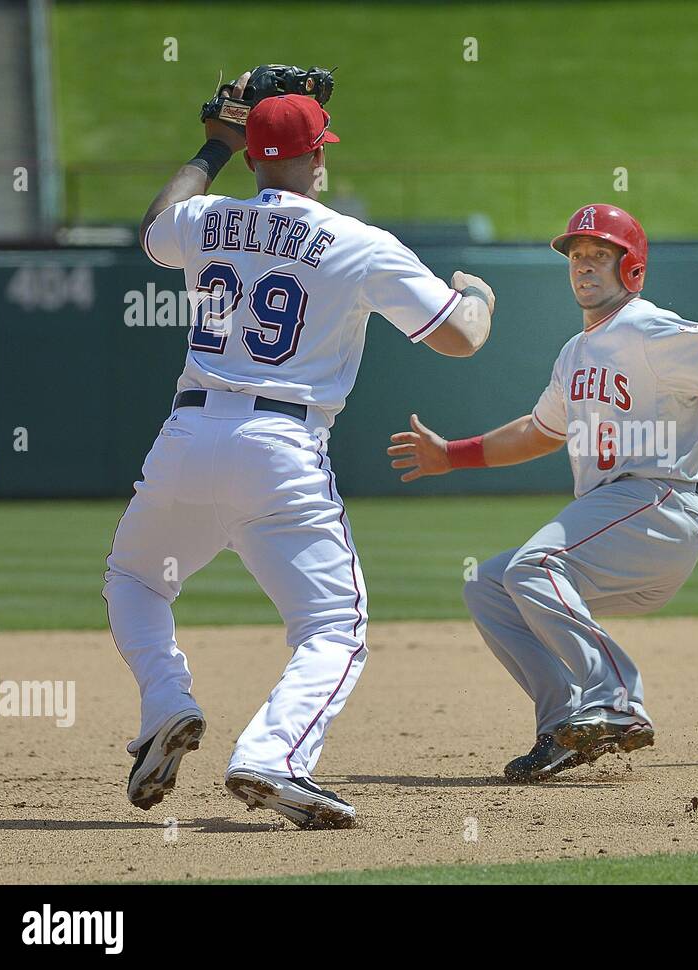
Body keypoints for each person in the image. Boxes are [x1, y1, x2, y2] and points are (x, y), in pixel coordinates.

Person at [107, 73, 494, 827]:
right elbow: (461, 338)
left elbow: (155, 227)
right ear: (319, 160)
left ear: (252, 157)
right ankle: (273, 754)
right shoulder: (357, 242)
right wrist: (479, 296)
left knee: (134, 581)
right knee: (333, 628)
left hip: (187, 433)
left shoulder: (206, 218)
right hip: (281, 444)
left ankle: (166, 703)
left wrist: (215, 141)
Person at [387, 203, 698, 782]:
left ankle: (617, 699)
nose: (583, 265)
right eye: (576, 255)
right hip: (618, 523)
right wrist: (454, 454)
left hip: (659, 503)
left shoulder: (646, 326)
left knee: (534, 565)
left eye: (599, 255)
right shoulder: (574, 353)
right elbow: (540, 431)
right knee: (491, 586)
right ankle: (564, 725)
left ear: (633, 270)